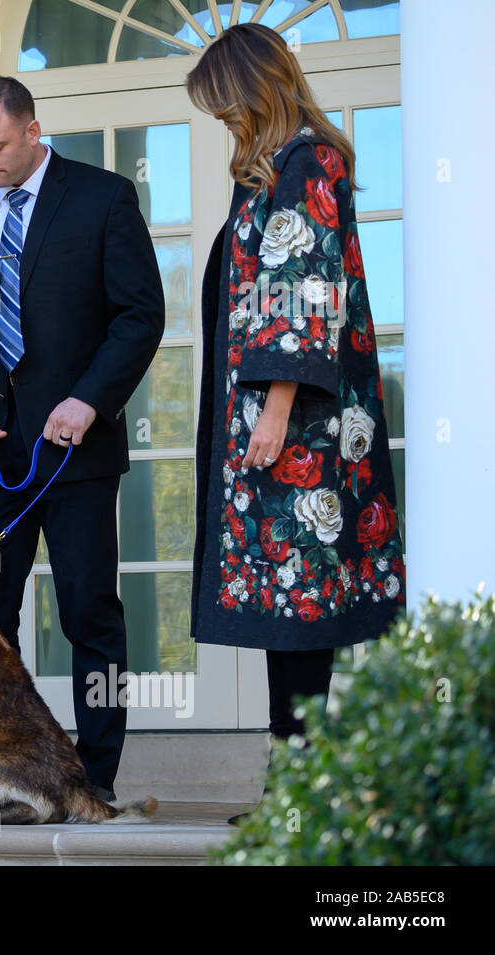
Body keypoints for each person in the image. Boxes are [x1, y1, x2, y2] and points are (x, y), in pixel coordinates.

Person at [0, 76, 165, 803]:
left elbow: (139, 315)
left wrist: (90, 398)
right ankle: (3, 775)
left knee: (91, 613)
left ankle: (94, 778)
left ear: (32, 129)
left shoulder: (103, 198)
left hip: (77, 457)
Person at [185, 24, 405, 822]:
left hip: (299, 429)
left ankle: (306, 797)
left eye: (223, 106)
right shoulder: (276, 167)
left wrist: (273, 413)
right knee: (291, 607)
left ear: (253, 90)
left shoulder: (310, 161)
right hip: (282, 423)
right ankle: (300, 791)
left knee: (302, 604)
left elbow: (304, 291)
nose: (221, 122)